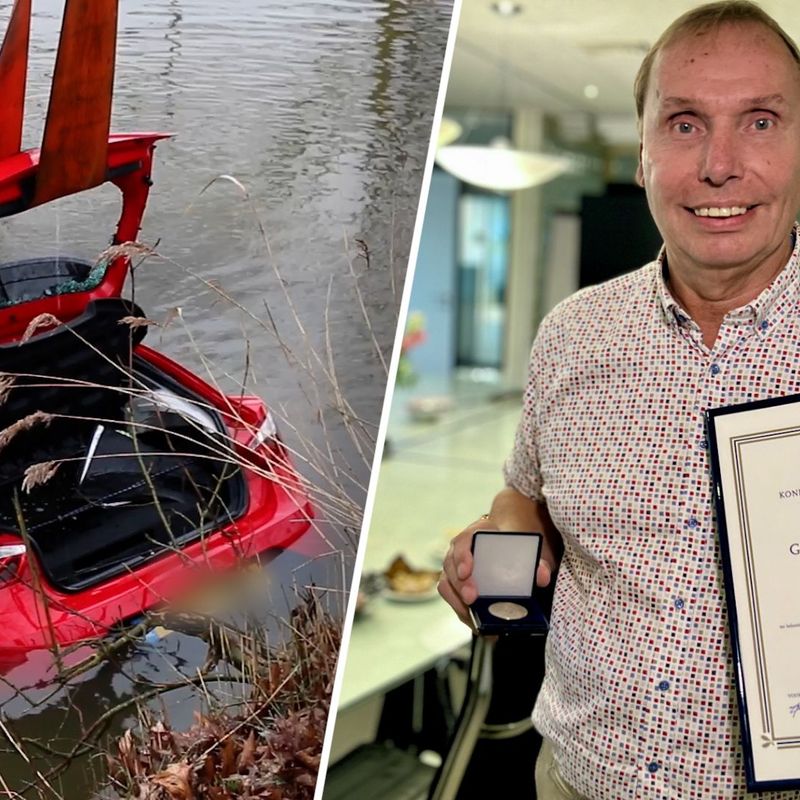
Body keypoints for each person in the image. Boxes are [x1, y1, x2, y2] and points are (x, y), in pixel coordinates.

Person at [438, 2, 800, 798]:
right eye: (684, 124)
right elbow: (523, 493)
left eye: (761, 122)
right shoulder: (572, 334)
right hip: (574, 780)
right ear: (642, 155)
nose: (720, 165)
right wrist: (504, 541)